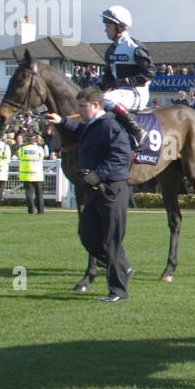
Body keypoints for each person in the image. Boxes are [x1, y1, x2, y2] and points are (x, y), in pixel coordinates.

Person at [47, 87, 134, 302]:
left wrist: (99, 174)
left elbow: (121, 154)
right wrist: (60, 120)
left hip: (111, 189)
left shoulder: (111, 126)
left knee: (111, 242)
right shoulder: (93, 126)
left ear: (95, 105)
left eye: (83, 106)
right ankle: (123, 267)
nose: (79, 110)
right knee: (87, 235)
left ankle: (118, 291)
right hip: (95, 191)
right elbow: (78, 129)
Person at [98, 5, 152, 147]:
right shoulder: (110, 50)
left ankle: (137, 130)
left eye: (108, 26)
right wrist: (102, 85)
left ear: (120, 27)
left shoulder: (134, 47)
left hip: (136, 92)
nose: (105, 30)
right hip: (119, 92)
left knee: (105, 99)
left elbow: (149, 74)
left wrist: (123, 82)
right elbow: (109, 77)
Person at [18, 133, 45, 214]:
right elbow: (41, 157)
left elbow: (20, 157)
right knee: (39, 194)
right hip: (37, 174)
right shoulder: (39, 149)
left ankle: (31, 210)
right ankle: (40, 211)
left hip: (26, 175)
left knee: (29, 193)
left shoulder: (22, 149)